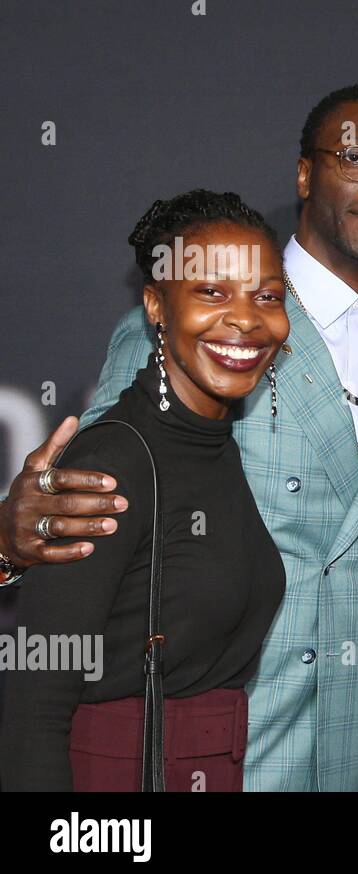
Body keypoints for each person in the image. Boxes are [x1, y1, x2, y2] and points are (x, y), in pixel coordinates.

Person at [0, 84, 358, 791]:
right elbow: (92, 502)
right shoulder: (191, 330)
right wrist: (11, 541)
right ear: (304, 173)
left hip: (349, 757)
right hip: (214, 753)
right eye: (355, 156)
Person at [1, 190, 288, 790]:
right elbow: (36, 710)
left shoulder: (220, 446)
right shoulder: (111, 464)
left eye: (267, 296)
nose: (245, 318)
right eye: (212, 291)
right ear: (156, 305)